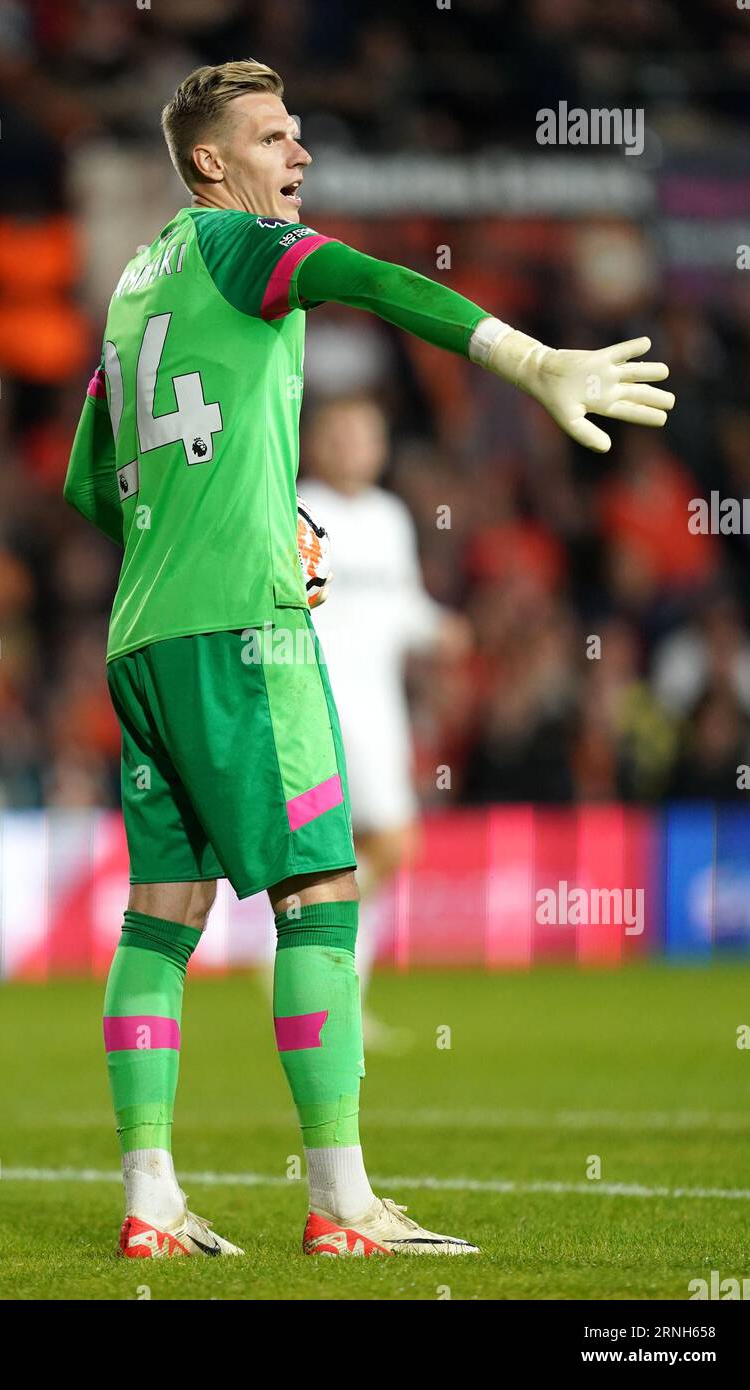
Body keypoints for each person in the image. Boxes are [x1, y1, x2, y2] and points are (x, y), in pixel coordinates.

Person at [64, 59, 674, 1260]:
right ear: (209, 164)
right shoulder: (237, 245)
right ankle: (342, 1204)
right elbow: (374, 279)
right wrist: (533, 359)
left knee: (160, 922)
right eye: (272, 137)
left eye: (298, 135)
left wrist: (222, 527)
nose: (297, 155)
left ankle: (150, 1201)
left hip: (141, 634)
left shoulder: (134, 290)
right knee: (323, 902)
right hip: (245, 630)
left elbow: (92, 483)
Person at [300, 395, 471, 1051]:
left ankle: (338, 994)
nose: (352, 446)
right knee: (366, 847)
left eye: (364, 434)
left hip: (378, 707)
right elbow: (294, 607)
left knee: (381, 850)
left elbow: (402, 608)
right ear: (315, 442)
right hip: (317, 701)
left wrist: (440, 629)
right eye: (339, 433)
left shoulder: (389, 517)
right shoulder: (299, 509)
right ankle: (319, 978)